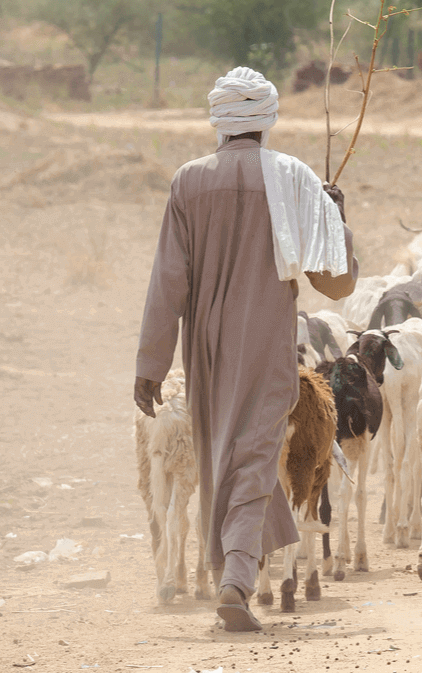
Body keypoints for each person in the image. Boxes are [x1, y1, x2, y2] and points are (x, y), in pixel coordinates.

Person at [134, 66, 358, 632]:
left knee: (225, 454)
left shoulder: (188, 181)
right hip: (264, 342)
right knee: (254, 454)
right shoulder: (294, 179)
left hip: (204, 345)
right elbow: (336, 282)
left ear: (219, 120)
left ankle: (238, 565)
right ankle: (235, 578)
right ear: (267, 120)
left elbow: (168, 280)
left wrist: (151, 365)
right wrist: (336, 218)